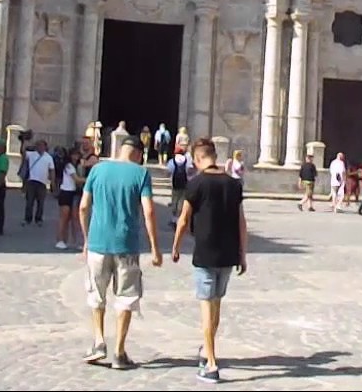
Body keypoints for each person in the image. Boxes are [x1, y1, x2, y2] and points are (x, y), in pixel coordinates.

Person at [78, 135, 162, 370]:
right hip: (127, 245)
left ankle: (98, 341)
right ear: (138, 154)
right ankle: (119, 352)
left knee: (96, 294)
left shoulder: (97, 170)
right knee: (126, 297)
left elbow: (84, 206)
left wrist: (86, 239)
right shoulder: (141, 174)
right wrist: (155, 248)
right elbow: (149, 212)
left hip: (97, 243)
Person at [172, 138, 247, 384]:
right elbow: (241, 222)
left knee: (206, 307)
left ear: (197, 158)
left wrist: (175, 247)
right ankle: (207, 349)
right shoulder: (234, 185)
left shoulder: (195, 184)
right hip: (227, 255)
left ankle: (211, 363)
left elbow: (183, 219)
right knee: (215, 306)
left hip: (204, 254)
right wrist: (242, 254)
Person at [166, 145, 192, 228]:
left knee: (174, 201)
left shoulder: (172, 161)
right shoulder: (186, 160)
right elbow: (190, 171)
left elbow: (168, 172)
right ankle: (179, 219)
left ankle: (174, 219)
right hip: (184, 184)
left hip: (175, 184)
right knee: (181, 201)